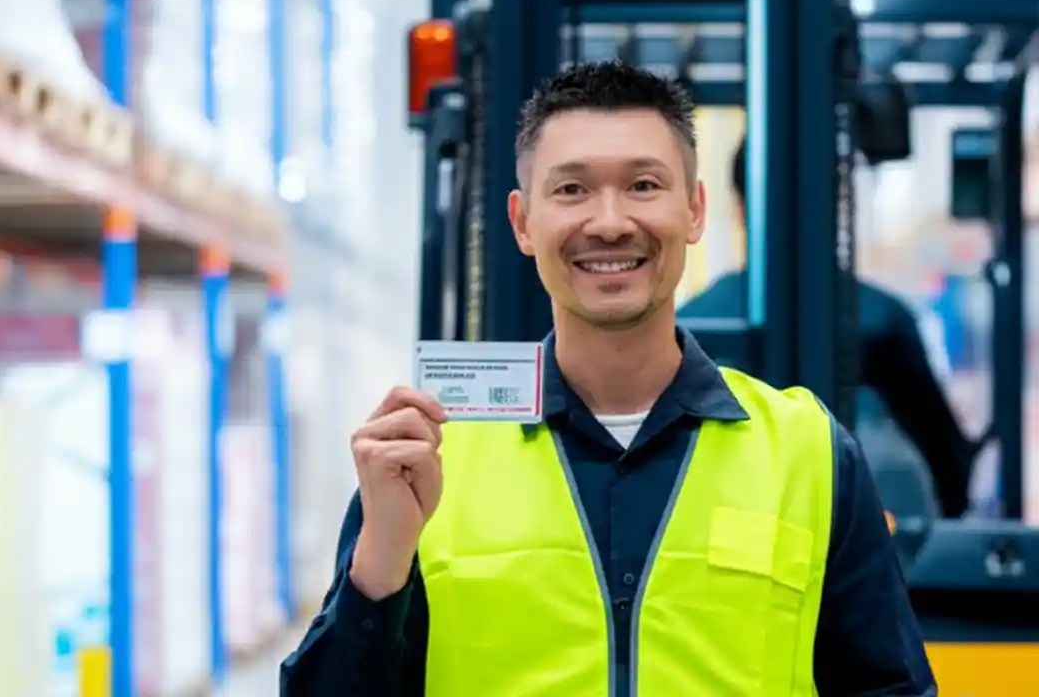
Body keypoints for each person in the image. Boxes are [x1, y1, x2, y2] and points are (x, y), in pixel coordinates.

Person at [280, 61, 936, 696]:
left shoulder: (808, 455)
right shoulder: (433, 456)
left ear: (695, 210)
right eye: (571, 189)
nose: (611, 221)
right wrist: (382, 560)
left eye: (644, 185)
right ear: (522, 223)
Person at [679, 137, 977, 518]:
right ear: (837, 205)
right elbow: (944, 461)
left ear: (740, 209)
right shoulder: (882, 320)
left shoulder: (694, 324)